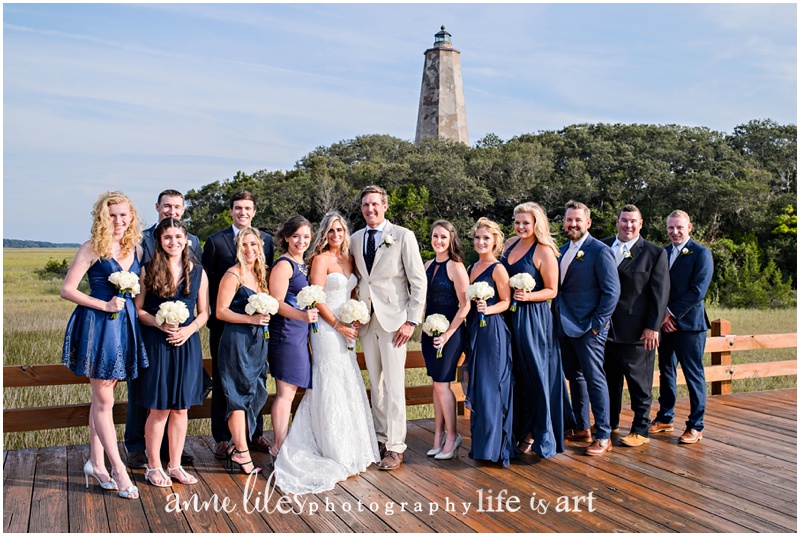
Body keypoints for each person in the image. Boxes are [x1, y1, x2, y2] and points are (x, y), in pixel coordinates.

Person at [273, 212, 380, 494]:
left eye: (340, 230)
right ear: (324, 233)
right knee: (329, 378)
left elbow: (352, 293)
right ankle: (330, 446)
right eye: (331, 230)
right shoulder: (320, 260)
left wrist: (354, 317)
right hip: (326, 327)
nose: (336, 235)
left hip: (346, 326)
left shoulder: (350, 259)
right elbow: (316, 298)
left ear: (346, 233)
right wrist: (337, 324)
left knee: (347, 378)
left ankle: (353, 445)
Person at [61, 191, 147, 499]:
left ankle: (96, 462)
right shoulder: (92, 247)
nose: (118, 220)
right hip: (98, 326)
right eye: (112, 215)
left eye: (123, 214)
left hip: (125, 327)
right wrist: (104, 305)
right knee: (104, 400)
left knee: (103, 398)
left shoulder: (136, 249)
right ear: (102, 217)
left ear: (131, 216)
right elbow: (67, 290)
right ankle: (119, 470)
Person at [351, 185, 427, 471]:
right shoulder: (355, 239)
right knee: (376, 385)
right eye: (365, 205)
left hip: (395, 321)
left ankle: (396, 446)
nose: (370, 209)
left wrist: (411, 321)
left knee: (394, 385)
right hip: (366, 321)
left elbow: (418, 282)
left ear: (385, 206)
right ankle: (381, 439)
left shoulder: (403, 235)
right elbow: (361, 279)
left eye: (375, 204)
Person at [126, 188, 202, 469]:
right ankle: (139, 449)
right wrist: (159, 321)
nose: (172, 211)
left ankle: (173, 454)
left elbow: (197, 297)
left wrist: (188, 327)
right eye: (167, 206)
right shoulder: (141, 239)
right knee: (148, 396)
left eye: (177, 207)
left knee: (179, 403)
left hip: (185, 337)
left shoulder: (194, 244)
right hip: (152, 333)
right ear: (158, 207)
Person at [134, 218, 209, 486]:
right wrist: (159, 323)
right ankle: (153, 466)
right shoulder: (147, 270)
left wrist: (188, 330)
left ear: (186, 240)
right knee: (160, 409)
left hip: (186, 344)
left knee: (181, 409)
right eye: (167, 237)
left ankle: (175, 465)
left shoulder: (198, 271)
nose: (173, 242)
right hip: (158, 344)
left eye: (178, 237)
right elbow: (138, 310)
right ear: (159, 241)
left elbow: (204, 313)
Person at [203, 190, 274, 459]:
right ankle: (223, 438)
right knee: (224, 383)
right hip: (226, 328)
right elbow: (208, 284)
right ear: (231, 210)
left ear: (254, 211)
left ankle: (254, 434)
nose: (243, 212)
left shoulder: (266, 240)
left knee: (257, 381)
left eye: (247, 208)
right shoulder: (215, 241)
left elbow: (263, 276)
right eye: (238, 208)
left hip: (257, 331)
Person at [553, 200, 620, 457]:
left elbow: (612, 291)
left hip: (589, 328)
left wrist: (597, 325)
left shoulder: (600, 250)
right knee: (575, 376)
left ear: (588, 223)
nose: (573, 224)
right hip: (564, 326)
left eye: (578, 220)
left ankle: (603, 434)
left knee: (594, 378)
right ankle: (582, 428)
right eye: (569, 219)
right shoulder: (561, 250)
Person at [500, 202, 566, 459]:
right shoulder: (509, 245)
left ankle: (536, 433)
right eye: (517, 222)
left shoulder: (544, 251)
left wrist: (528, 296)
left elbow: (552, 290)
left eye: (526, 223)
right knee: (514, 374)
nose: (520, 227)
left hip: (534, 319)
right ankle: (516, 428)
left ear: (537, 224)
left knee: (535, 374)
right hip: (508, 316)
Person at [601, 205, 670, 447]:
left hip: (638, 332)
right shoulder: (602, 246)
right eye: (624, 220)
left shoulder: (654, 253)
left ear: (640, 224)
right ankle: (609, 423)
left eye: (633, 221)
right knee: (608, 381)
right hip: (604, 329)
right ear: (617, 222)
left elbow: (660, 294)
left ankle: (640, 429)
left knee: (639, 383)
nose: (628, 225)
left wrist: (653, 327)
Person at [650, 210, 713, 444]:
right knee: (666, 370)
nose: (675, 232)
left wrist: (670, 313)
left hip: (690, 326)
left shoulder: (701, 254)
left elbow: (698, 291)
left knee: (693, 373)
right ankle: (665, 417)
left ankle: (696, 425)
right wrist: (662, 317)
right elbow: (656, 287)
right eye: (671, 227)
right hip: (665, 324)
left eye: (679, 227)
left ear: (690, 227)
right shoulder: (663, 252)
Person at [215, 226, 273, 474]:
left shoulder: (259, 274)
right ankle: (242, 452)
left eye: (254, 244)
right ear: (238, 248)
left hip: (257, 342)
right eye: (245, 245)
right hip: (237, 341)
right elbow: (221, 312)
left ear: (260, 246)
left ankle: (239, 445)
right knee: (237, 395)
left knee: (254, 392)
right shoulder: (233, 275)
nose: (250, 249)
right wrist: (251, 319)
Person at [463, 217, 514, 467]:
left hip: (492, 332)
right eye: (477, 237)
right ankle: (481, 447)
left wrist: (488, 309)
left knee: (490, 388)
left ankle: (494, 449)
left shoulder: (498, 269)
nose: (481, 242)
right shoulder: (471, 267)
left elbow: (507, 301)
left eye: (486, 238)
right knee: (479, 388)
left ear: (495, 241)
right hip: (475, 330)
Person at [267, 215, 318, 461]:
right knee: (285, 392)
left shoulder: (303, 264)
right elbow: (276, 302)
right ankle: (279, 445)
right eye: (296, 236)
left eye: (306, 236)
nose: (301, 241)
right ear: (286, 237)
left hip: (299, 333)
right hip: (286, 332)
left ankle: (285, 442)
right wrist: (301, 315)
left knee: (293, 388)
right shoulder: (284, 265)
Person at [421, 220, 470, 460]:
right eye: (435, 236)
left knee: (442, 384)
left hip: (450, 332)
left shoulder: (456, 266)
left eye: (443, 237)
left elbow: (465, 305)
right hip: (429, 331)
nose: (438, 241)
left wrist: (448, 333)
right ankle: (438, 435)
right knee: (436, 384)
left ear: (451, 239)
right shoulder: (428, 264)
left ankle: (453, 436)